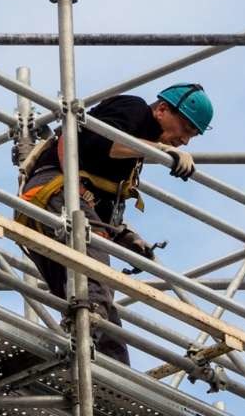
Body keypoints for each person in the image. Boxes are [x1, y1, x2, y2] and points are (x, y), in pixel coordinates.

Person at [16, 82, 212, 366]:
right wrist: (164, 153)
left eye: (192, 134)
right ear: (161, 110)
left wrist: (124, 235)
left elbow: (101, 204)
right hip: (54, 193)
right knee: (94, 288)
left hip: (58, 205)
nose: (185, 140)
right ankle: (79, 351)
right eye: (185, 128)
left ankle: (111, 374)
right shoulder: (133, 109)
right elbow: (109, 143)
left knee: (93, 301)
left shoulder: (134, 157)